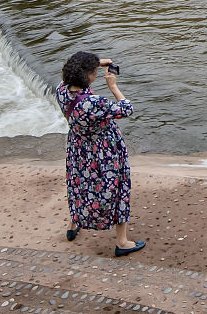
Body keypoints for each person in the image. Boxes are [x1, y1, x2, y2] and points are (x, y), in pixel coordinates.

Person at [56, 51, 144, 257]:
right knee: (118, 189)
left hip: (79, 150)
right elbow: (126, 109)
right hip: (104, 153)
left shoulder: (61, 90)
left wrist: (96, 63)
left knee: (79, 186)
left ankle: (74, 224)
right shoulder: (94, 103)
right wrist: (113, 86)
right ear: (88, 76)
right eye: (94, 71)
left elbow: (72, 73)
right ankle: (122, 242)